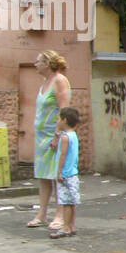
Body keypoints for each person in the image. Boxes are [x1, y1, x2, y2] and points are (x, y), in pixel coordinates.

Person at [29, 50, 72, 230]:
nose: (35, 64)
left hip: (54, 136)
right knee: (44, 176)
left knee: (57, 176)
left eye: (38, 61)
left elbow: (64, 110)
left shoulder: (59, 80)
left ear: (48, 63)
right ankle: (42, 214)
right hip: (41, 138)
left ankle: (59, 215)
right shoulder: (44, 83)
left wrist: (57, 135)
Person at [49, 107, 80, 239]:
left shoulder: (65, 137)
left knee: (66, 202)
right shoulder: (74, 135)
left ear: (65, 120)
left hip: (66, 173)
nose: (57, 121)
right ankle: (72, 225)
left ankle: (66, 227)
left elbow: (63, 155)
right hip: (73, 172)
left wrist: (59, 172)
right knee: (71, 202)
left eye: (59, 119)